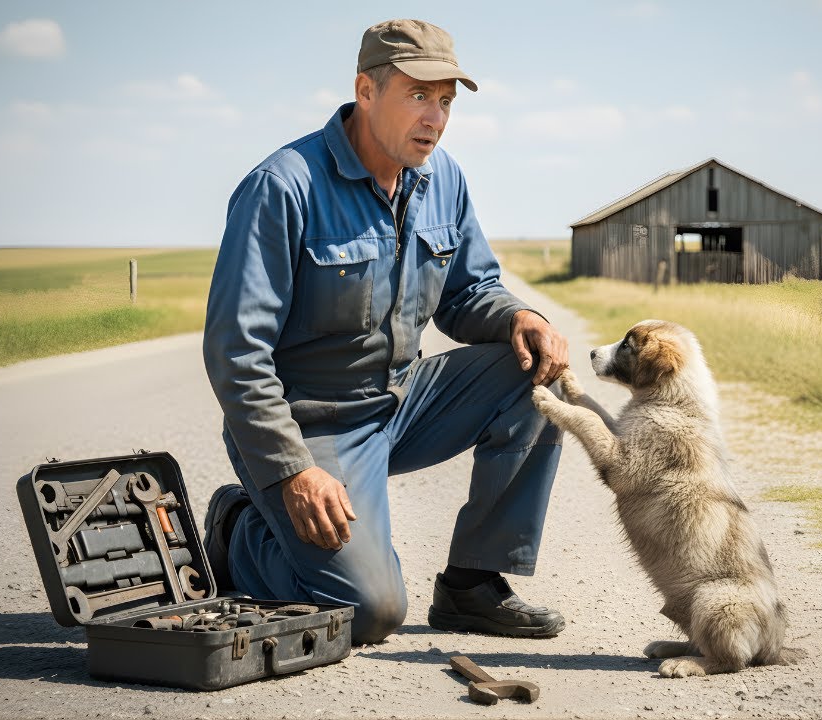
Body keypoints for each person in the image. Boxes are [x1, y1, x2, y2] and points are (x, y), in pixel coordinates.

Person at [201, 19, 569, 645]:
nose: (435, 118)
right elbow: (236, 352)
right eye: (418, 95)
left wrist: (519, 316)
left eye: (446, 101)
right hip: (312, 426)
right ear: (365, 92)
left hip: (400, 405)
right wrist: (291, 470)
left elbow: (468, 293)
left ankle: (471, 585)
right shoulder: (283, 187)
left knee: (533, 372)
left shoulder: (443, 178)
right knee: (370, 613)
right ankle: (239, 531)